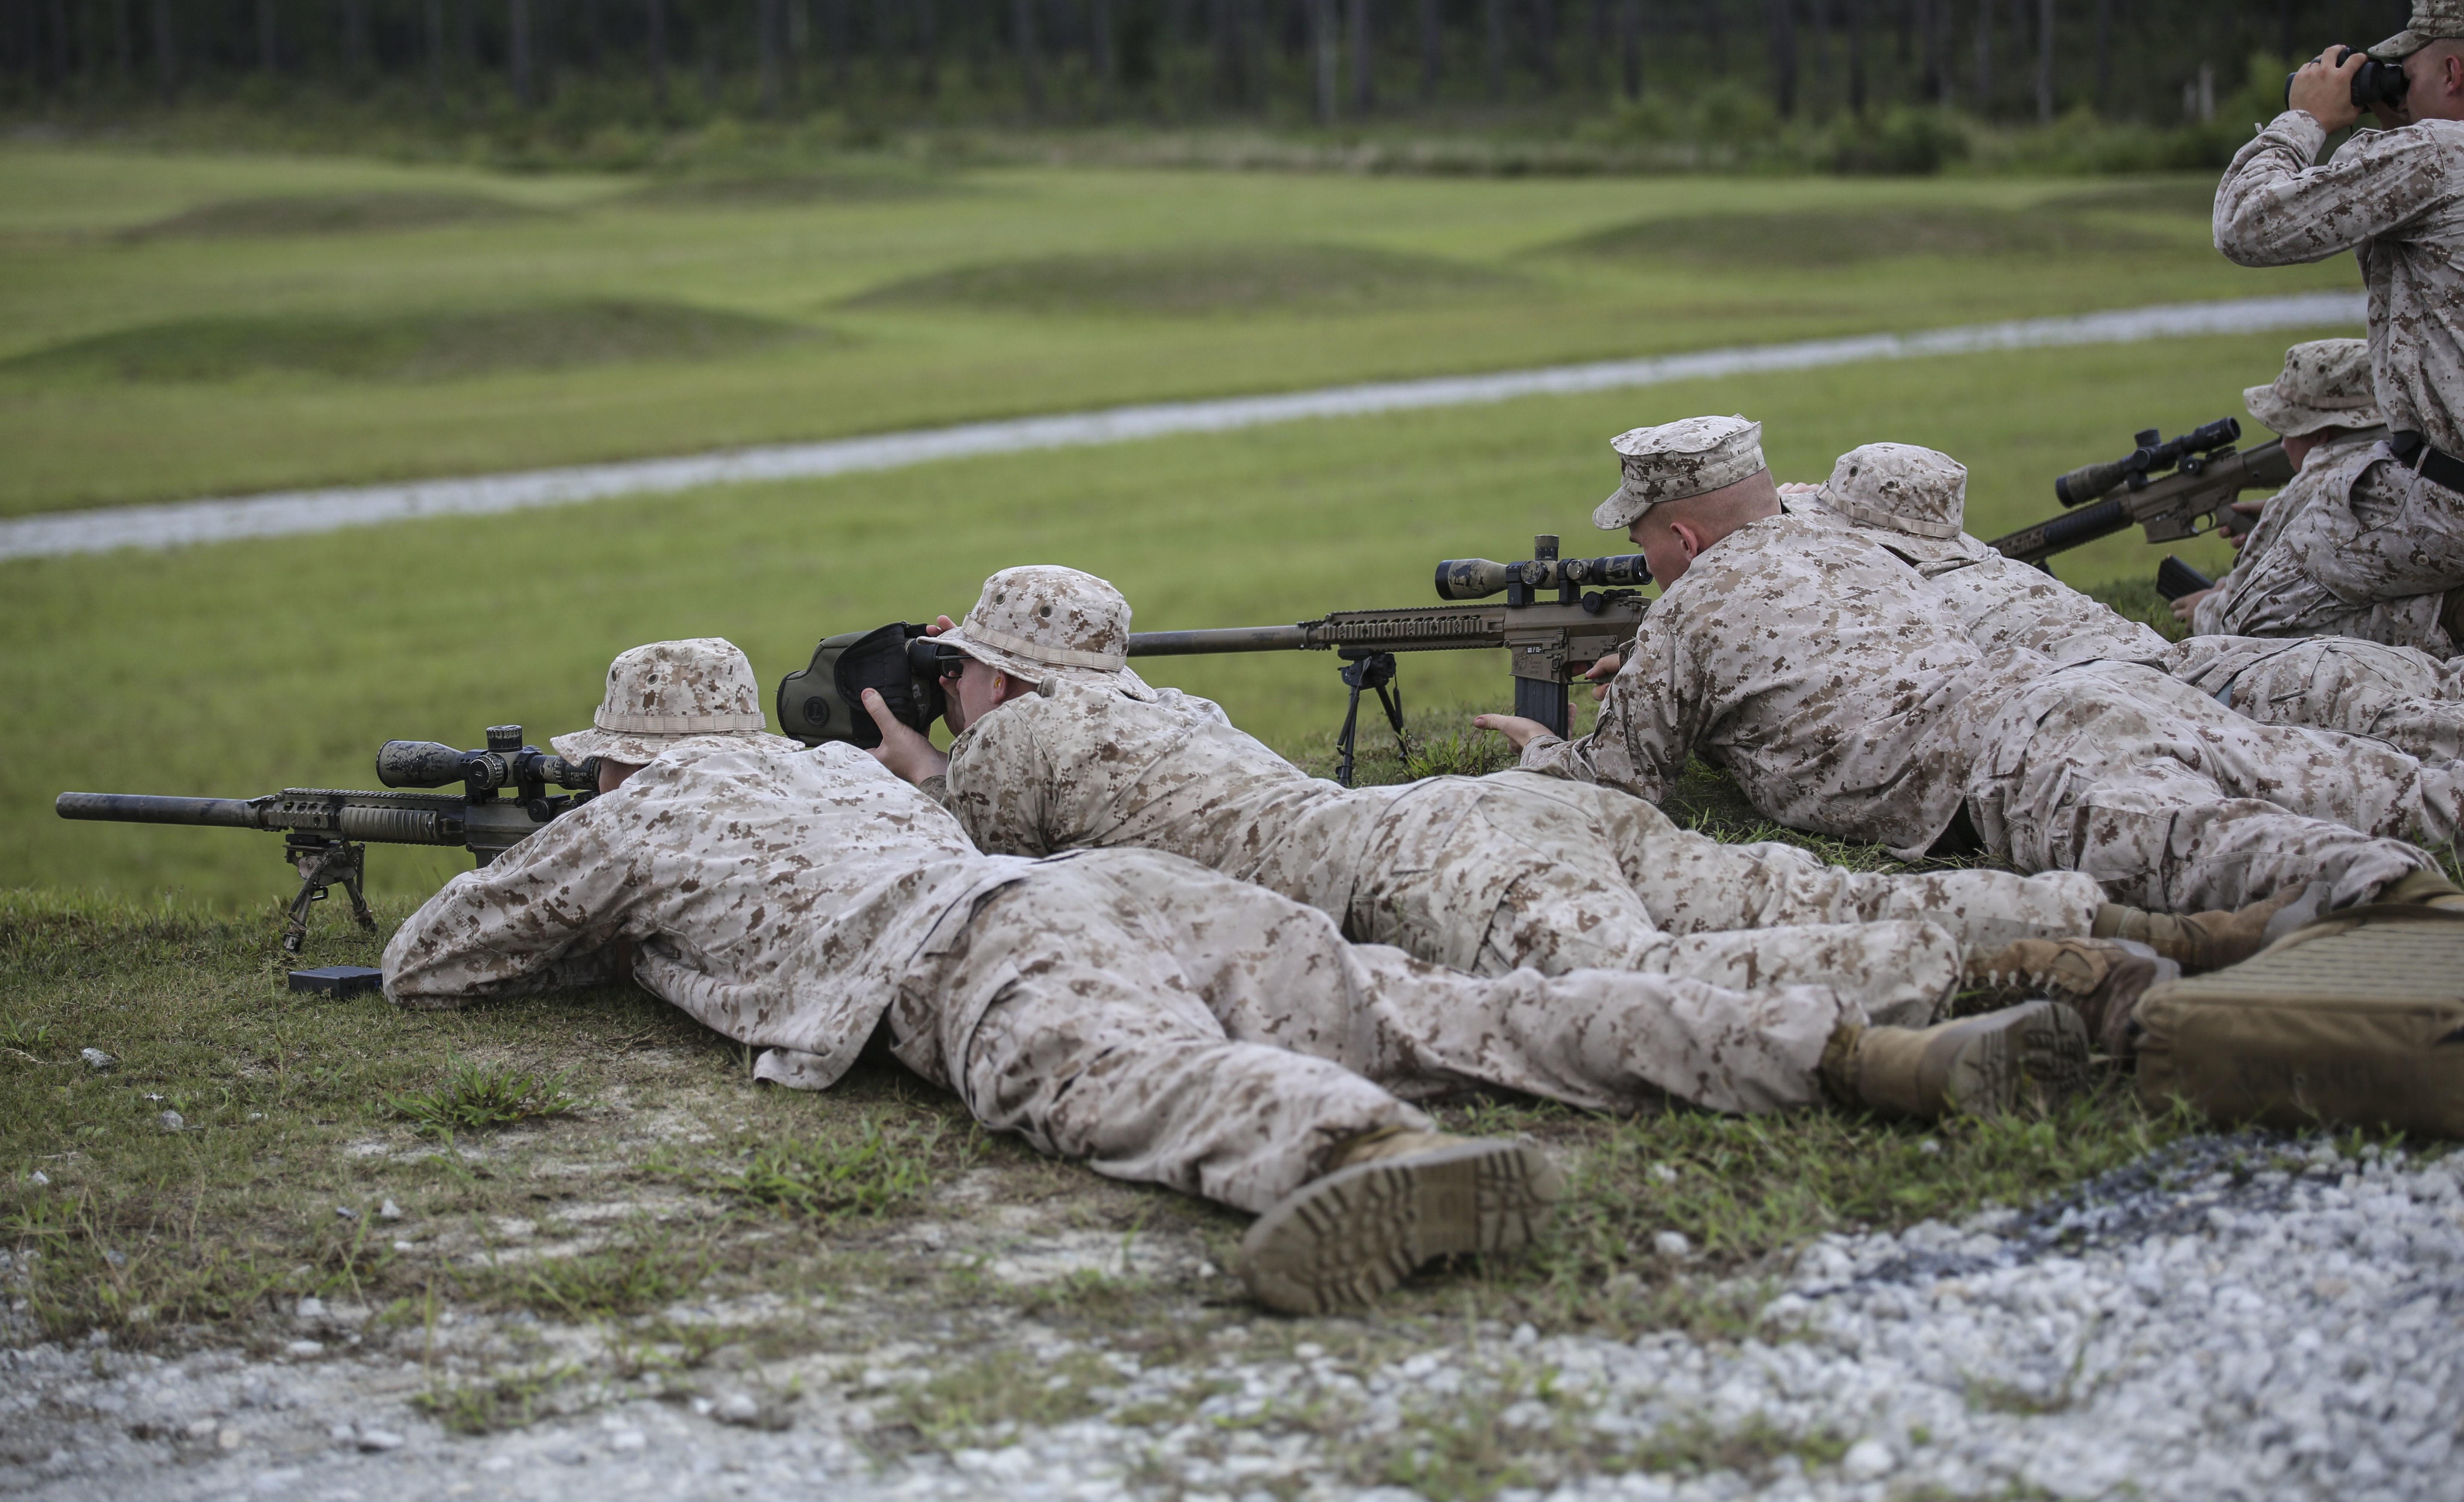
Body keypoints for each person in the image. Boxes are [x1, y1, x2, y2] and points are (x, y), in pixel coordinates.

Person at [382, 639, 2090, 1316]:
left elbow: (429, 969)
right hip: (1124, 889)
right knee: (1460, 1012)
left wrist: (576, 878)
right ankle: (1860, 1056)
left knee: (1125, 1081)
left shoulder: (630, 821)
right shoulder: (829, 770)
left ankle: (1361, 1161)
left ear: (618, 764)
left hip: (973, 948)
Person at [856, 566, 2171, 1050]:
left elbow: (951, 838)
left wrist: (911, 750)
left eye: (961, 664)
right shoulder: (1169, 712)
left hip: (1434, 855)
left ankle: (2000, 969)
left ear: (1002, 673)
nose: (952, 681)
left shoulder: (1019, 733)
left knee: (1644, 975)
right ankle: (2071, 914)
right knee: (1799, 884)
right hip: (1498, 812)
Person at [1473, 417, 2464, 926]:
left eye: (1647, 541)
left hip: (2021, 772)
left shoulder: (1686, 614)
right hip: (2085, 692)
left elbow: (1618, 783)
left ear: (1681, 537)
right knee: (2401, 797)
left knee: (2299, 870)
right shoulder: (1857, 546)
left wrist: (1541, 751)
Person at [1795, 436, 2464, 767]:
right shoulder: (1989, 561)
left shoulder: (1888, 585)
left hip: (2124, 694)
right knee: (2384, 696)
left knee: (2334, 746)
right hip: (2178, 660)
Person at [2214, 0, 2464, 626]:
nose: (2393, 97)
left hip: (2446, 503)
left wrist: (2307, 120)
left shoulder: (2436, 155)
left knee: (2245, 625)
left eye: (2403, 78)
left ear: (2455, 73)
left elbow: (2246, 225)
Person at [2174, 340, 2458, 653]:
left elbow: (2238, 621)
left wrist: (2204, 609)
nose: (2282, 445)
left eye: (2286, 432)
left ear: (2320, 434)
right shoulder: (2403, 465)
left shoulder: (2314, 486)